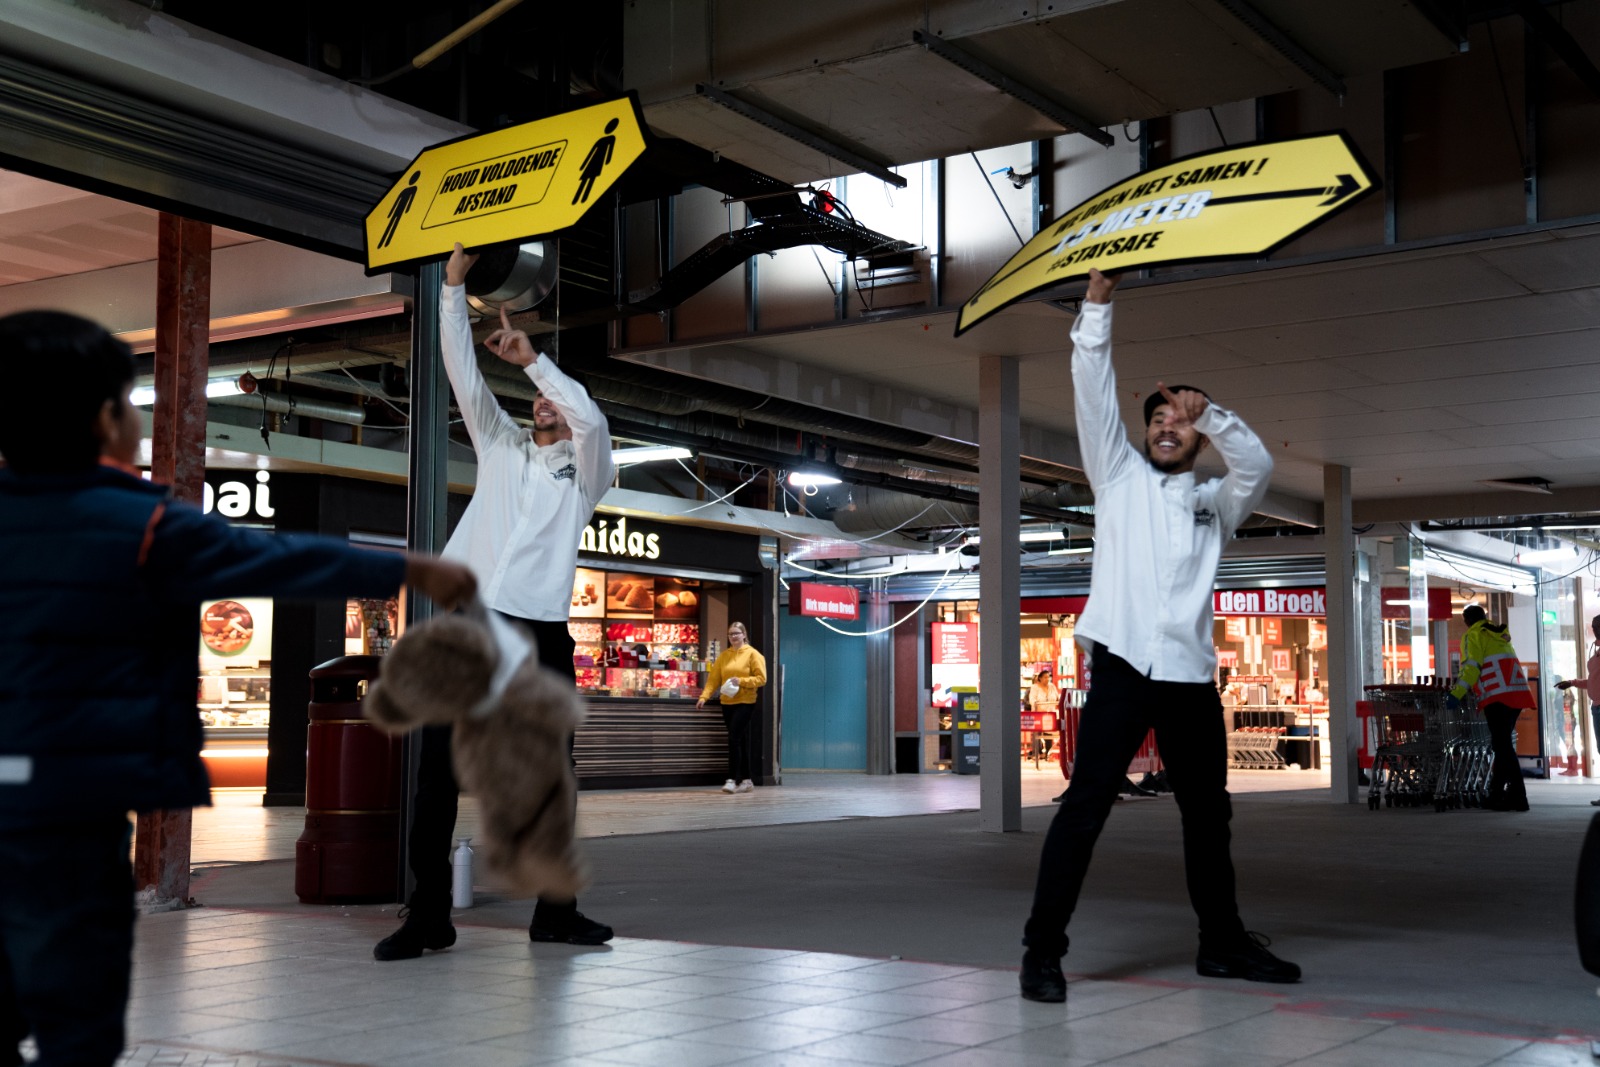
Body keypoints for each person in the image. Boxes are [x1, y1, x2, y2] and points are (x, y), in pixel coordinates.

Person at [0, 309, 476, 1067]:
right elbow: (280, 561)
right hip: (75, 802)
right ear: (105, 420)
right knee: (78, 1009)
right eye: (128, 402)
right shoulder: (143, 524)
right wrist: (410, 568)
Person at [1020, 269, 1299, 1004]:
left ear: (1197, 436)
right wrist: (1097, 306)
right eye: (1157, 421)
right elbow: (1091, 386)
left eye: (1179, 421)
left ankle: (1222, 944)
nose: (1166, 428)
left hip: (1189, 678)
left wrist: (1218, 415)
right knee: (1085, 807)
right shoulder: (1117, 477)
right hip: (1121, 669)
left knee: (1209, 815)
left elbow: (1259, 464)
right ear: (1144, 435)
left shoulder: (1217, 502)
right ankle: (1042, 952)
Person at [374, 242, 618, 961]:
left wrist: (535, 361)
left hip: (540, 637)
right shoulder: (501, 447)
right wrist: (452, 287)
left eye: (553, 400)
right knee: (436, 777)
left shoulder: (587, 475)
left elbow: (592, 420)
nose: (543, 403)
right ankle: (428, 916)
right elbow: (461, 368)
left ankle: (556, 913)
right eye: (538, 398)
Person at [1449, 604, 1534, 812]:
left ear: (1467, 620)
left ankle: (1519, 797)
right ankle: (1497, 794)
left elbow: (1472, 667)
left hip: (1497, 696)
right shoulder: (1498, 634)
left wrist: (1456, 693)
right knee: (1501, 745)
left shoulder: (1474, 635)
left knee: (1503, 746)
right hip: (1516, 692)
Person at [697, 621, 767, 793]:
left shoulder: (753, 654)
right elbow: (713, 680)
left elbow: (761, 679)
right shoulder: (724, 656)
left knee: (733, 738)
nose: (733, 637)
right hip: (727, 702)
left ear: (744, 635)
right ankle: (747, 780)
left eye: (737, 633)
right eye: (731, 634)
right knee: (740, 740)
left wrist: (741, 681)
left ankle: (732, 780)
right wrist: (704, 697)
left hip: (745, 702)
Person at [1556, 614, 1600, 802]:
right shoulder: (1596, 651)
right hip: (1596, 707)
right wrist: (1573, 682)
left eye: (1598, 626)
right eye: (1594, 626)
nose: (1595, 629)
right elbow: (1593, 681)